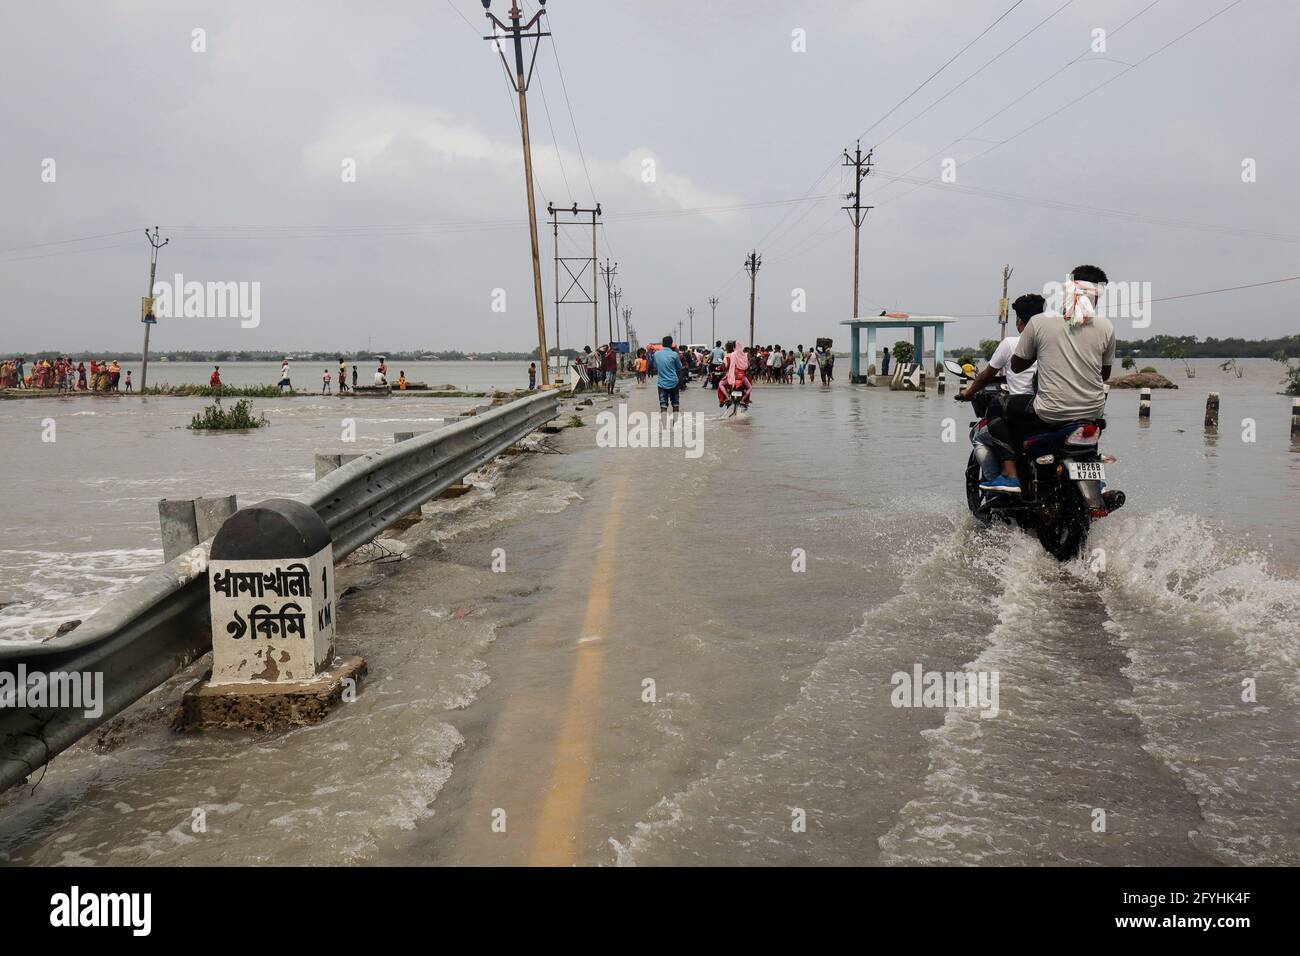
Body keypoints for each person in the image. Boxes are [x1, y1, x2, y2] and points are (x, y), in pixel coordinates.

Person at [984, 266, 1116, 495]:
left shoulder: (1040, 323)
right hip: (1093, 412)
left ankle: (1009, 474)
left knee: (996, 406)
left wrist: (1040, 351)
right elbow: (1104, 375)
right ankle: (1095, 479)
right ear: (1098, 295)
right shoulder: (1106, 327)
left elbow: (1016, 366)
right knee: (1090, 422)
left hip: (1049, 412)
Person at [961, 293, 1043, 488]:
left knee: (978, 436)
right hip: (1056, 411)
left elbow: (985, 377)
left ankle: (999, 484)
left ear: (1020, 322)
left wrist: (967, 393)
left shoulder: (1011, 343)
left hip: (1023, 413)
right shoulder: (1054, 342)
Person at [653, 334, 684, 415]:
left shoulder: (656, 354)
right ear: (671, 344)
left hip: (662, 384)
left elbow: (656, 366)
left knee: (663, 406)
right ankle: (676, 425)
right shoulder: (674, 354)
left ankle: (664, 426)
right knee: (675, 405)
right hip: (674, 383)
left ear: (662, 344)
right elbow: (679, 367)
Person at [718, 339, 752, 408]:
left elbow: (728, 367)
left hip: (731, 376)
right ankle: (744, 400)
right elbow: (746, 366)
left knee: (720, 384)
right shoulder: (743, 355)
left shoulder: (729, 356)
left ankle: (727, 397)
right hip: (741, 376)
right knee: (749, 387)